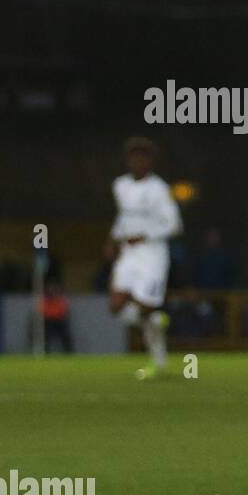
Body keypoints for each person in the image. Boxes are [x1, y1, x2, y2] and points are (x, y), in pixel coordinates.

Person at [106, 137, 181, 379]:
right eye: (134, 156)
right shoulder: (120, 186)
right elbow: (124, 218)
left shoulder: (158, 189)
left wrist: (145, 235)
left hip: (152, 256)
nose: (138, 161)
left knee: (144, 309)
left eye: (143, 156)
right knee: (116, 306)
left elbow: (175, 225)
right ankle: (158, 319)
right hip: (129, 255)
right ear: (128, 160)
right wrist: (112, 239)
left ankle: (158, 363)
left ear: (151, 161)